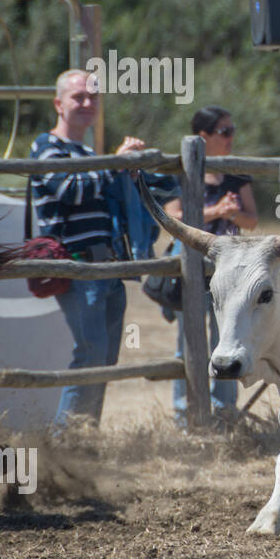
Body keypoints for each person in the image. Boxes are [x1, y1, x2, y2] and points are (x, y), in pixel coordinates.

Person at [30, 69, 152, 434]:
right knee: (91, 353)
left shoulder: (86, 152)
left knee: (103, 359)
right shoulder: (45, 146)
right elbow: (71, 190)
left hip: (106, 267)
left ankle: (85, 438)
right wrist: (116, 163)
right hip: (78, 267)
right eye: (78, 97)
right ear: (58, 104)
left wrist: (127, 172)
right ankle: (64, 439)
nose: (87, 103)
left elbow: (105, 194)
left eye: (93, 97)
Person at [166, 106, 257, 428]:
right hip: (190, 269)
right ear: (203, 136)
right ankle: (186, 414)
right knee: (188, 344)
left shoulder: (235, 172)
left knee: (227, 338)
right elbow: (173, 217)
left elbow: (252, 220)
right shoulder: (181, 171)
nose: (231, 137)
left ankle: (224, 412)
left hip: (228, 271)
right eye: (224, 131)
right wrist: (217, 211)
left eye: (232, 130)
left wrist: (232, 214)